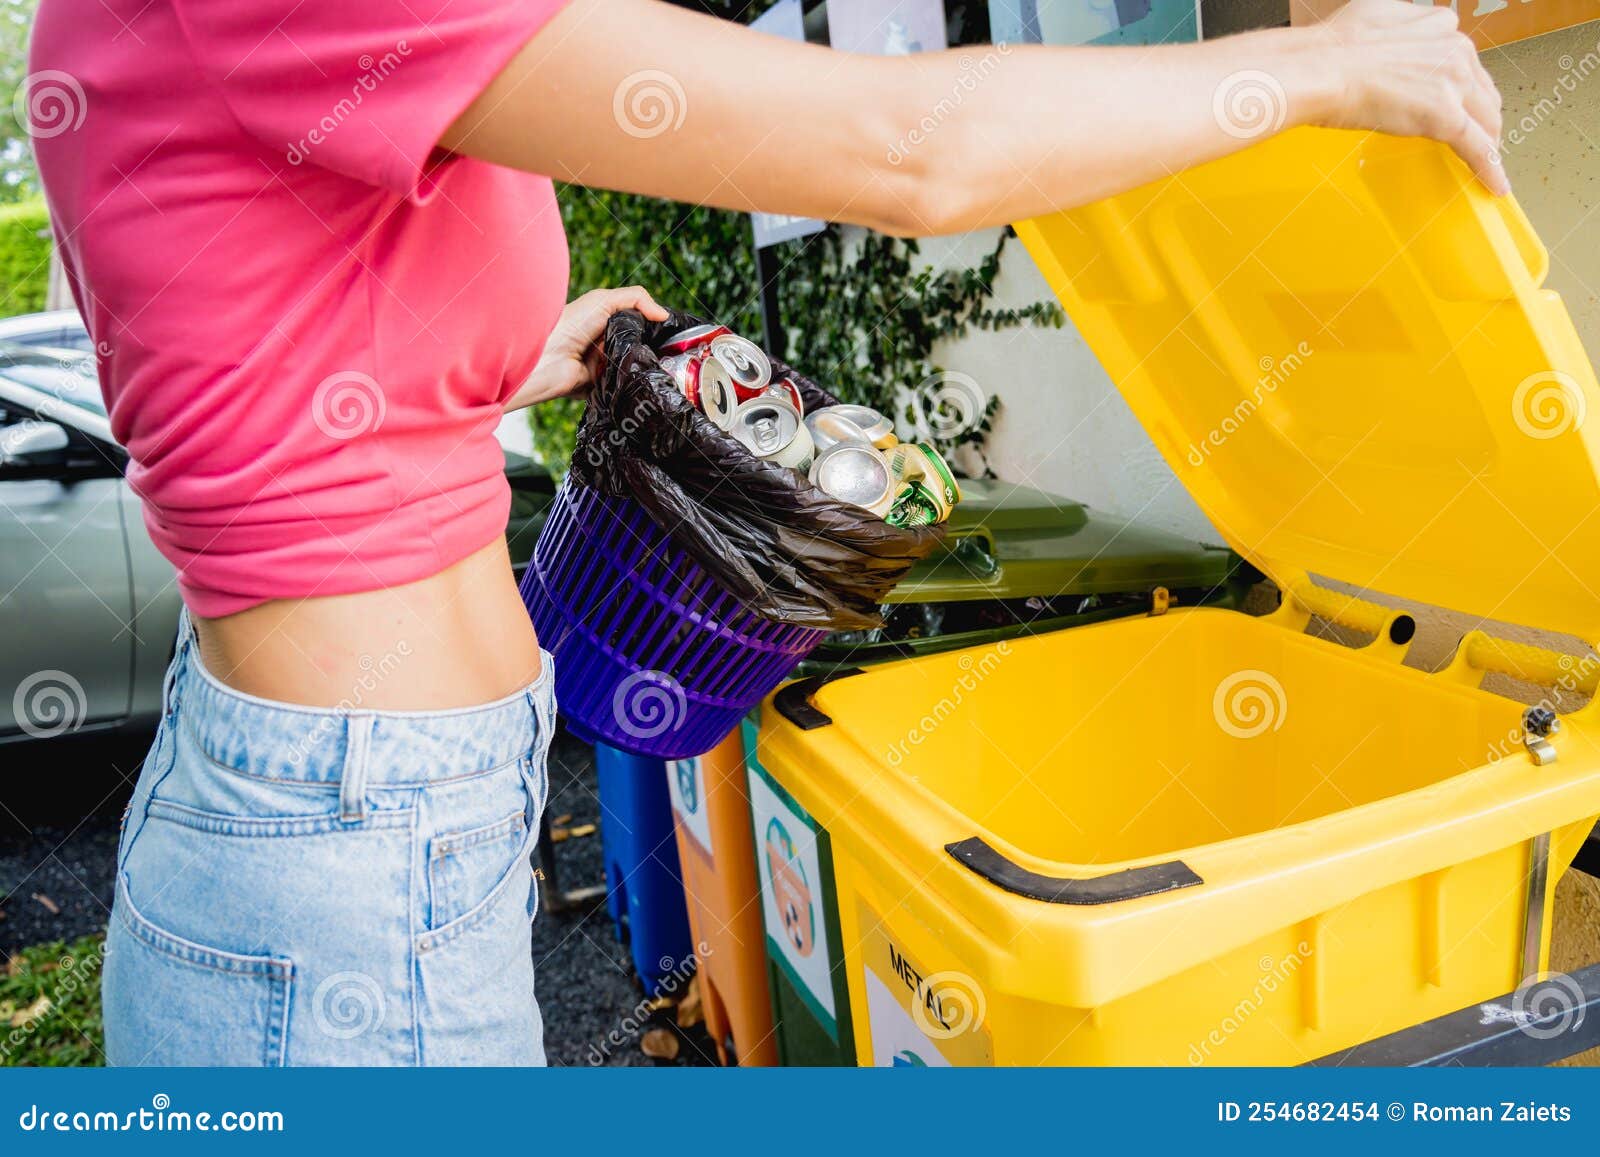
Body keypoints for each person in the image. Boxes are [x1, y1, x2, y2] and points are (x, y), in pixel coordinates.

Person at [27, 0, 1504, 1066]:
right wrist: (1320, 62)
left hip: (358, 818)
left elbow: (230, 350)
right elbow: (911, 150)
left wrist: (504, 353)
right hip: (346, 861)